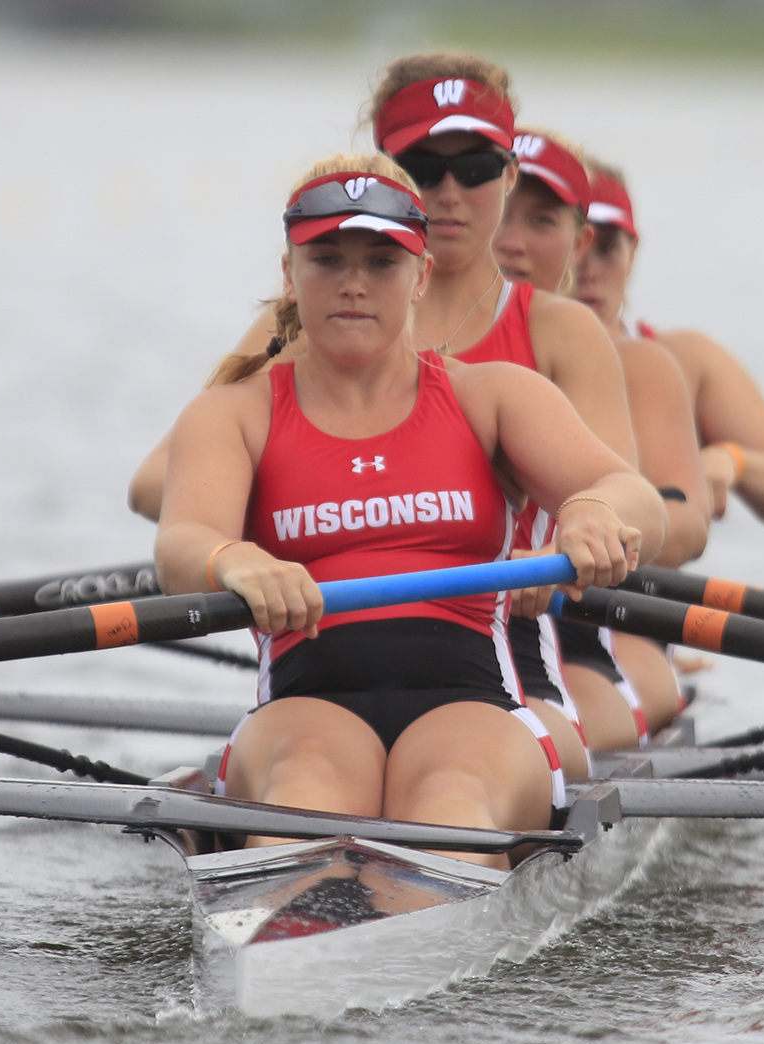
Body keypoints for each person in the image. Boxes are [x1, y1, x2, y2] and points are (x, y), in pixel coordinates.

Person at [133, 53, 636, 781]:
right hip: (313, 656)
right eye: (425, 168)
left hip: (512, 638)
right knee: (306, 775)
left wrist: (582, 522)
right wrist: (233, 547)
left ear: (508, 172)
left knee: (467, 778)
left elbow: (634, 503)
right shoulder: (291, 344)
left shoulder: (523, 365)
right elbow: (167, 501)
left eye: (475, 167)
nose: (451, 191)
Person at [493, 128, 707, 748]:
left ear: (577, 241)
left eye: (539, 220)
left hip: (579, 627)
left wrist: (587, 531)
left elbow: (680, 528)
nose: (511, 241)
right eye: (503, 213)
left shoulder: (632, 361)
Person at [575, 161, 764, 534]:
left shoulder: (684, 359)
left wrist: (735, 461)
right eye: (576, 247)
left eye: (607, 249)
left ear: (632, 253)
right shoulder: (508, 350)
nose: (589, 270)